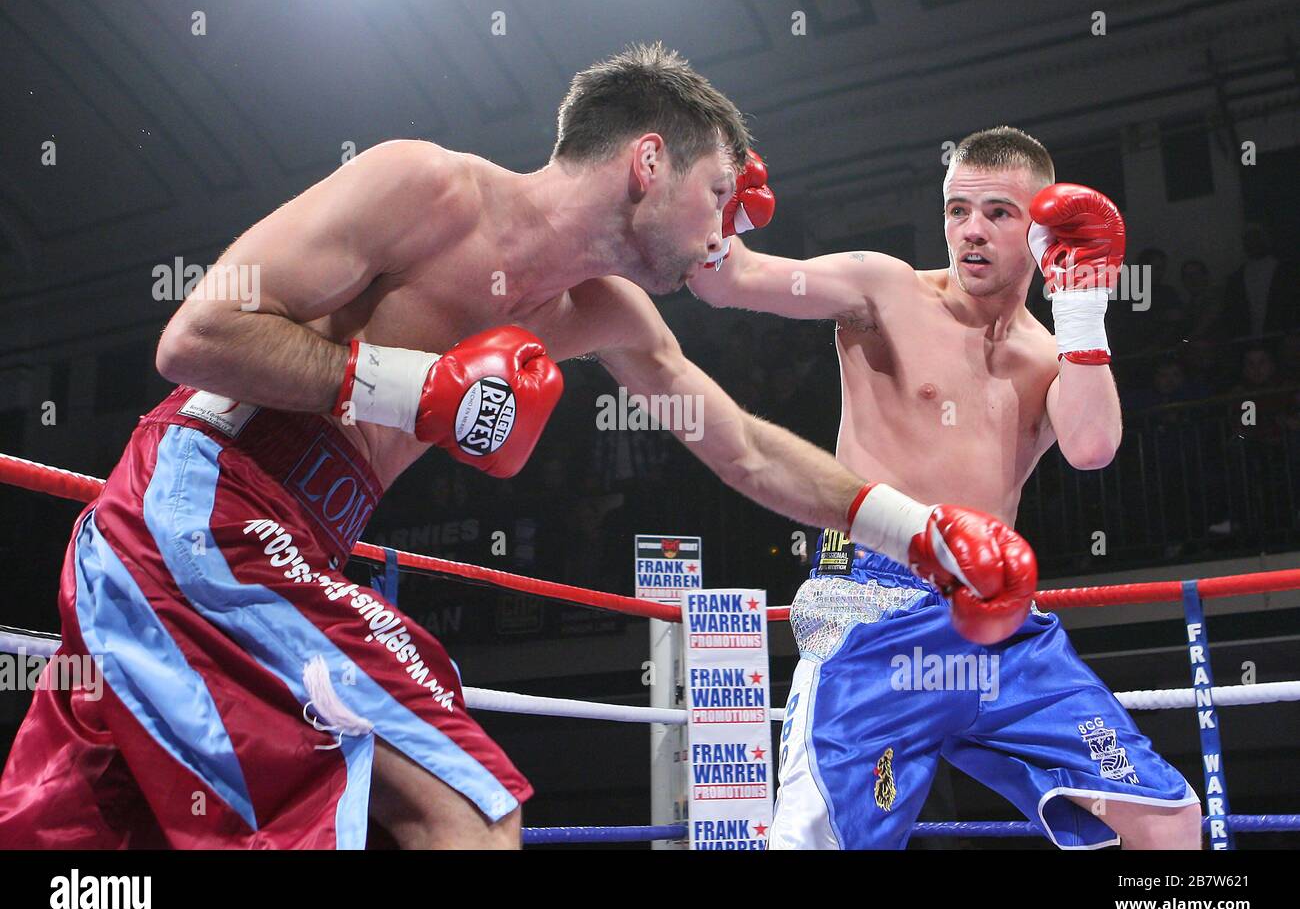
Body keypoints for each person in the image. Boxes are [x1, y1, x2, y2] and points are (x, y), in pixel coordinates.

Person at [0, 46, 1035, 850]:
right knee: (467, 805)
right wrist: (410, 385)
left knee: (87, 855)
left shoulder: (608, 314)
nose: (728, 227)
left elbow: (746, 452)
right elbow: (196, 337)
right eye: (717, 190)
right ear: (646, 161)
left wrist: (917, 527)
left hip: (284, 543)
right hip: (201, 505)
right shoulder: (424, 188)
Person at [690, 127, 1202, 849]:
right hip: (876, 613)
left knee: (1170, 820)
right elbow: (725, 280)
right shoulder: (883, 289)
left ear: (1041, 229)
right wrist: (718, 210)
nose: (972, 230)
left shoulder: (1049, 354)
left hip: (998, 629)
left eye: (998, 212)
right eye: (957, 210)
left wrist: (1083, 301)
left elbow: (1092, 448)